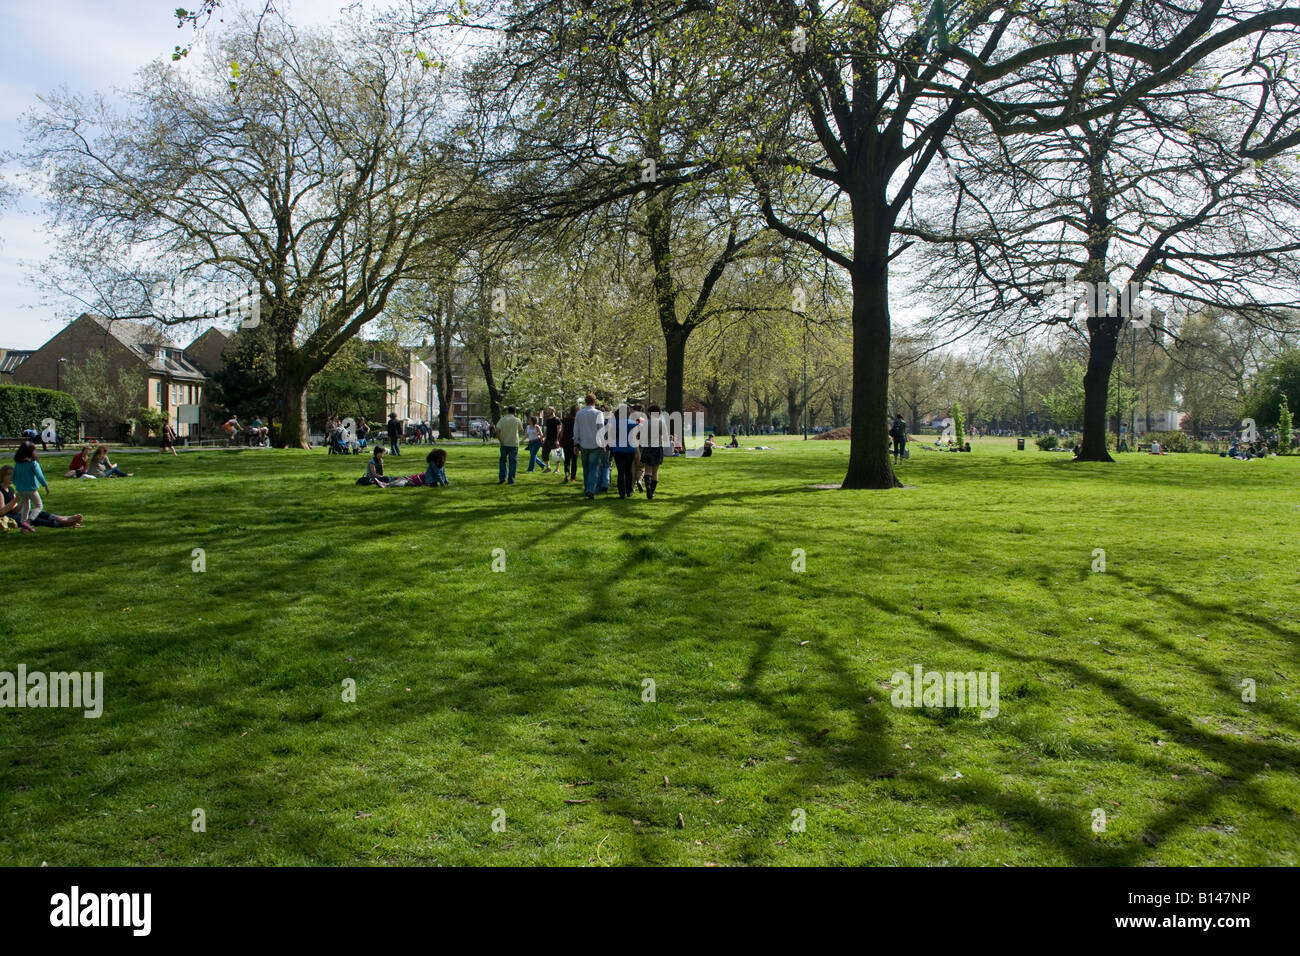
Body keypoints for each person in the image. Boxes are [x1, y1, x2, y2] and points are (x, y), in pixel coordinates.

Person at [0, 464, 81, 531]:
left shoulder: (10, 489)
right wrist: (16, 500)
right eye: (9, 474)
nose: (12, 477)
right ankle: (62, 524)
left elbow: (14, 510)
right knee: (34, 519)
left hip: (13, 515)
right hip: (6, 518)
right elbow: (2, 512)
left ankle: (61, 519)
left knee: (37, 512)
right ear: (2, 476)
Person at [10, 442, 50, 532]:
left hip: (21, 489)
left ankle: (23, 527)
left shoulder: (18, 464)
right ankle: (28, 521)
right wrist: (46, 486)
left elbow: (14, 477)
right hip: (31, 489)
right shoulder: (33, 463)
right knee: (39, 506)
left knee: (25, 507)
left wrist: (18, 485)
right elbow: (40, 476)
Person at [572, 394, 606, 500]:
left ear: (585, 401)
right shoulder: (598, 413)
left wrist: (575, 443)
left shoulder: (579, 413)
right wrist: (603, 444)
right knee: (594, 468)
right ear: (594, 402)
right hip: (595, 444)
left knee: (586, 467)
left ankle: (587, 488)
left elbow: (576, 429)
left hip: (583, 444)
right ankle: (590, 489)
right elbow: (601, 429)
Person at [640, 403, 670, 500]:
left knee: (647, 470)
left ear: (649, 413)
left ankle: (647, 486)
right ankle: (652, 491)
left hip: (647, 448)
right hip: (657, 447)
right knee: (655, 471)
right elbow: (665, 437)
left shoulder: (645, 423)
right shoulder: (661, 423)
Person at [611, 403, 639, 499]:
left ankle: (621, 492)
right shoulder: (632, 423)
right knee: (628, 471)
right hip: (629, 449)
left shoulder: (614, 423)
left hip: (618, 449)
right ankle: (629, 490)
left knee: (621, 472)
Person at [495, 405, 523, 485]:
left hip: (504, 443)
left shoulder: (502, 419)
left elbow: (497, 431)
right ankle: (511, 480)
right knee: (512, 462)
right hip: (514, 444)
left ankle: (502, 478)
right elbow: (520, 430)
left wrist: (501, 440)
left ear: (507, 411)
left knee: (502, 461)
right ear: (515, 412)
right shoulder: (517, 420)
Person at [560, 404, 579, 482]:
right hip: (574, 442)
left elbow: (562, 431)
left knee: (567, 460)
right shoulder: (577, 420)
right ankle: (573, 477)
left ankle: (566, 473)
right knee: (574, 460)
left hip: (566, 442)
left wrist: (560, 439)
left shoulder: (565, 419)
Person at [540, 406, 560, 474]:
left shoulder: (557, 419)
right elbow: (546, 429)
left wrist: (557, 440)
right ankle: (548, 467)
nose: (547, 412)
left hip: (554, 440)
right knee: (544, 454)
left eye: (548, 410)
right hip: (547, 440)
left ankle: (557, 470)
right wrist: (543, 436)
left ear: (552, 411)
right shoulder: (548, 420)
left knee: (556, 455)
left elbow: (559, 430)